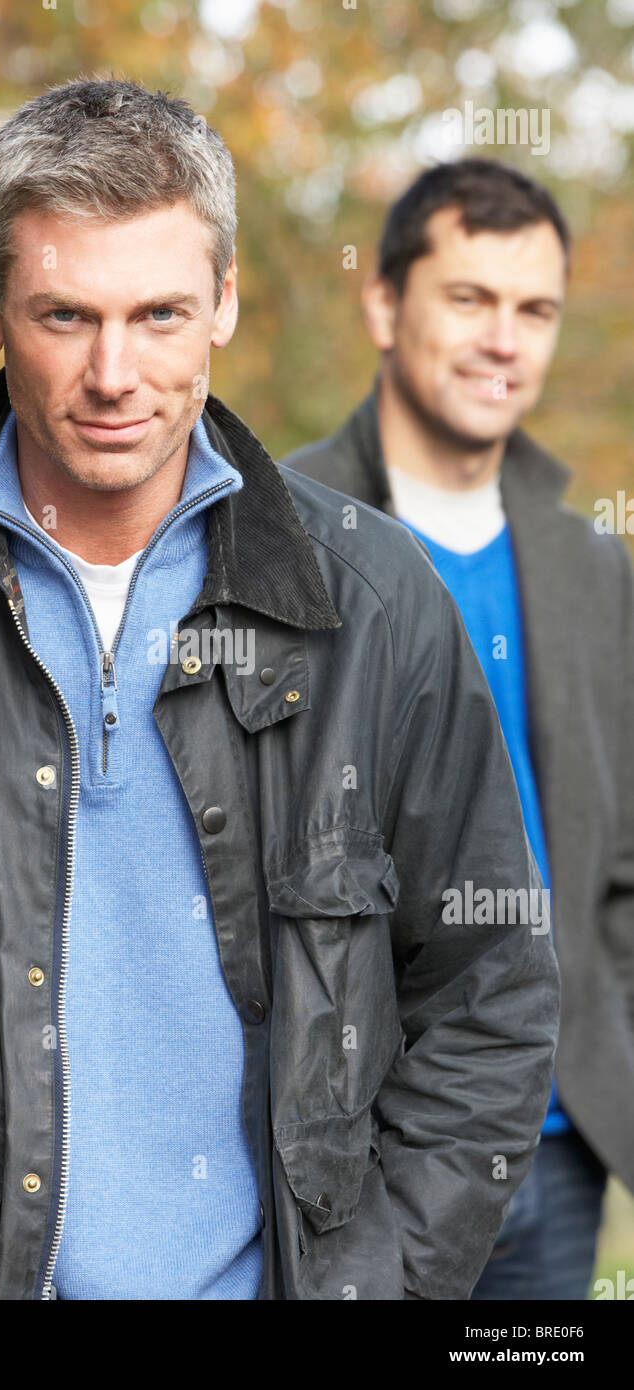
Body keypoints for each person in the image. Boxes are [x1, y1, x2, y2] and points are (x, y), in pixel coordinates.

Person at [0, 83, 559, 1302]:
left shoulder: (376, 604)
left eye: (159, 313)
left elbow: (490, 984)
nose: (112, 372)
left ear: (224, 304)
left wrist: (373, 1286)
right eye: (64, 314)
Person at [281, 157, 634, 1300]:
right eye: (468, 299)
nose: (503, 340)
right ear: (384, 304)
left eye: (532, 309)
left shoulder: (592, 566)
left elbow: (617, 862)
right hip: (348, 1131)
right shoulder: (275, 533)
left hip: (559, 1130)